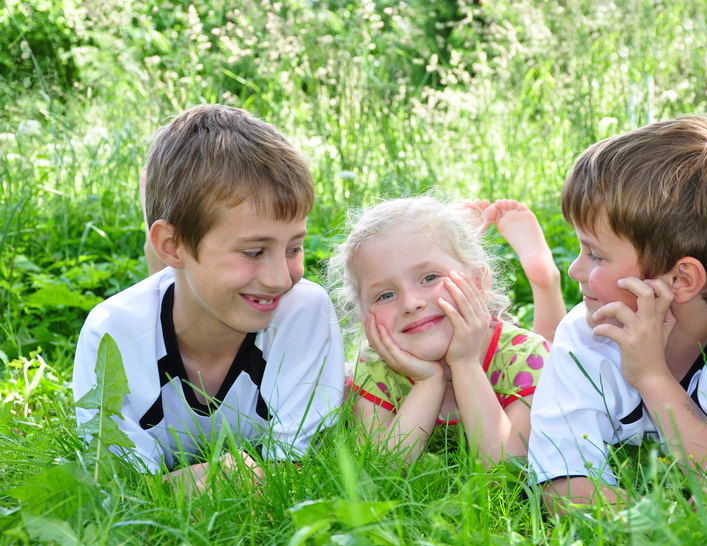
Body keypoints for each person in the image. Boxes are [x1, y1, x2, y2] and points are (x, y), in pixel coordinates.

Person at [528, 115, 707, 512]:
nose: (574, 270)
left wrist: (652, 378)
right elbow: (560, 483)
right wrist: (659, 525)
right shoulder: (586, 333)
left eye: (595, 254)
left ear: (679, 280)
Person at [73, 105, 345, 489]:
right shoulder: (111, 335)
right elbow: (123, 489)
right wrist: (185, 484)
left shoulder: (305, 311)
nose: (282, 279)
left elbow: (299, 472)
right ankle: (166, 255)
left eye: (294, 248)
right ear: (172, 244)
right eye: (253, 252)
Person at [327, 196, 566, 464]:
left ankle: (544, 280)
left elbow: (507, 471)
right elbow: (380, 473)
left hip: (520, 355)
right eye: (386, 295)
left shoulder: (523, 359)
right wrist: (428, 382)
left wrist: (464, 363)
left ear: (478, 281)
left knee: (562, 359)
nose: (411, 303)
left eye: (430, 277)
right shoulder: (374, 370)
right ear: (363, 316)